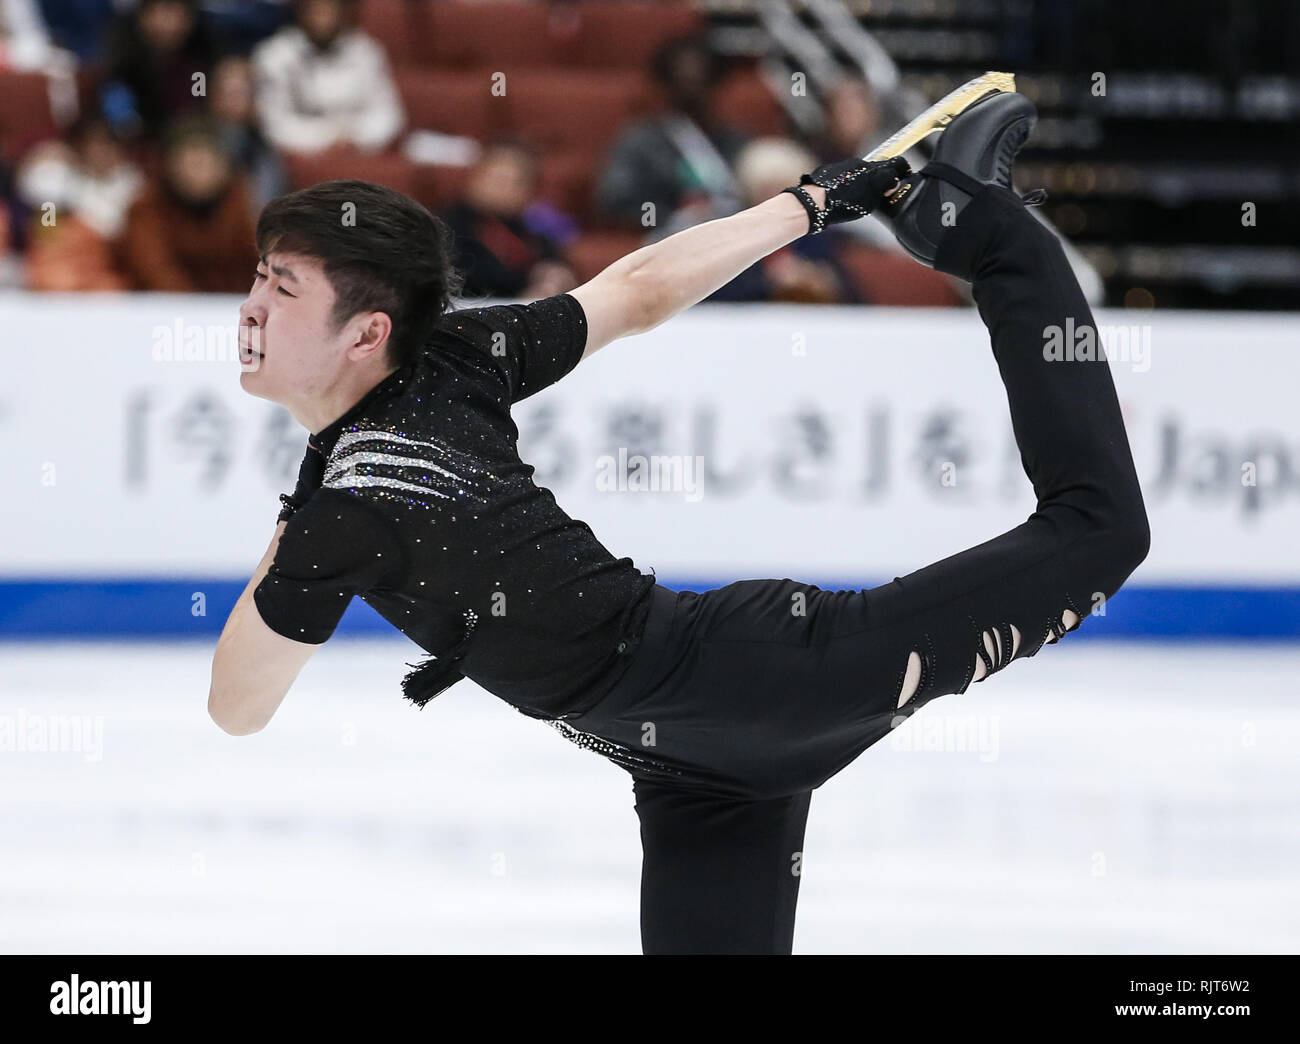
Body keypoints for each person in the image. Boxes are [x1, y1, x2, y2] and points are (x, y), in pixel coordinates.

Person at [208, 83, 1150, 954]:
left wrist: (812, 201)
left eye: (280, 289)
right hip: (691, 773)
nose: (250, 308)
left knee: (1101, 530)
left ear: (367, 333)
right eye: (258, 278)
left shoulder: (424, 398)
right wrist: (302, 524)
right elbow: (237, 712)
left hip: (765, 676)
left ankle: (992, 237)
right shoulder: (377, 453)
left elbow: (632, 293)